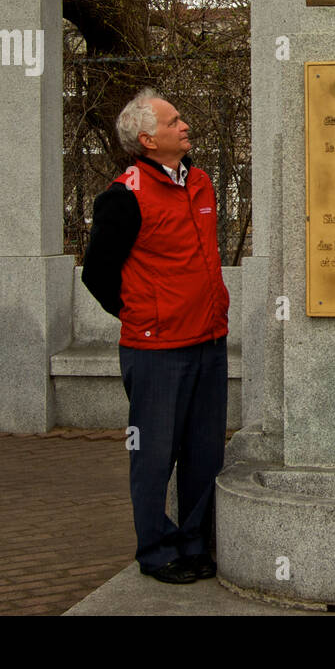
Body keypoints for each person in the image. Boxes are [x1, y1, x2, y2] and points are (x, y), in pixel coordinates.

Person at [81, 88, 230, 585]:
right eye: (174, 120)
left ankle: (193, 543)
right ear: (148, 139)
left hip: (208, 339)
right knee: (154, 455)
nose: (184, 125)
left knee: (204, 453)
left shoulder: (202, 182)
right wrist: (142, 315)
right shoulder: (124, 196)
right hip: (156, 351)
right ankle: (155, 549)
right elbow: (98, 273)